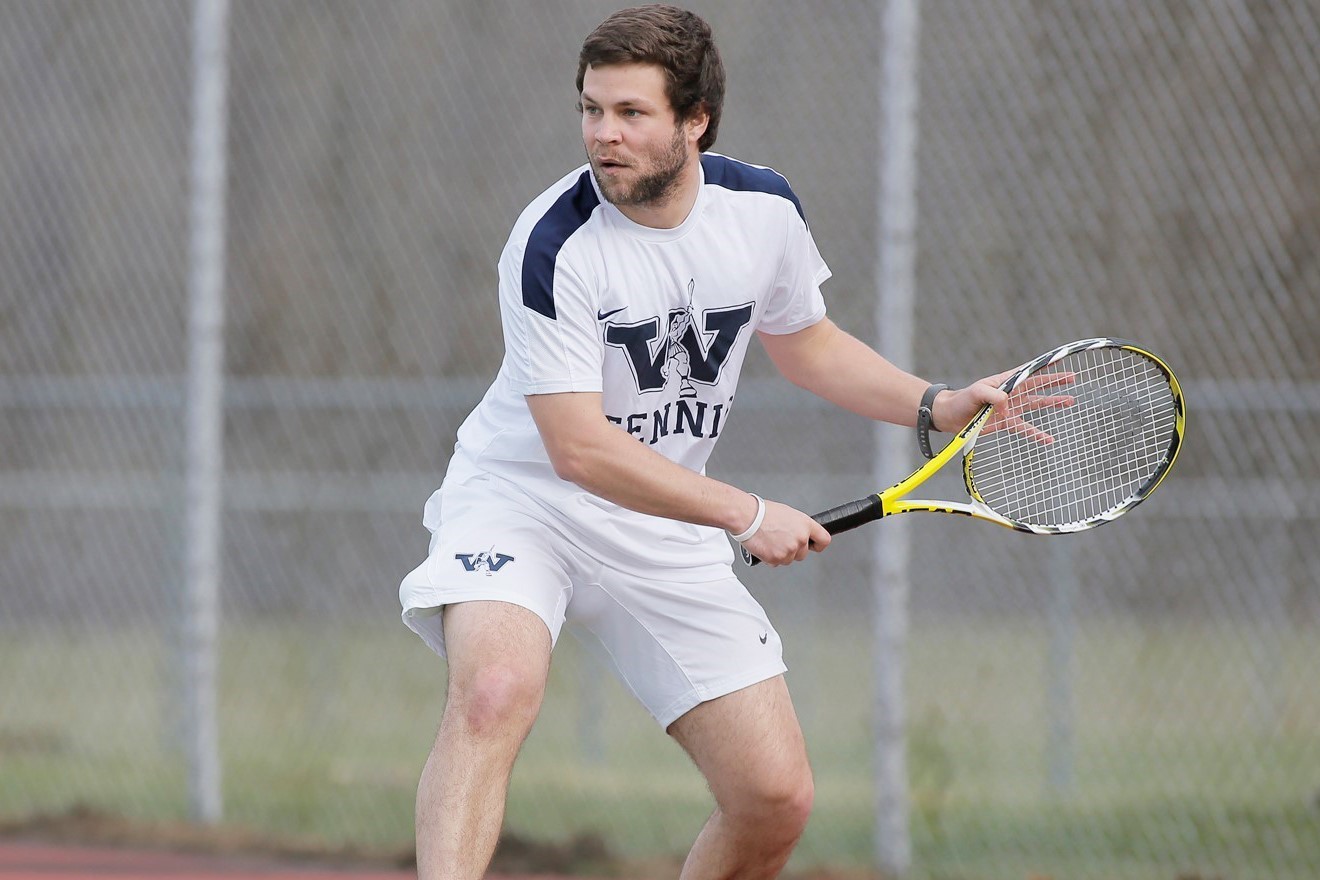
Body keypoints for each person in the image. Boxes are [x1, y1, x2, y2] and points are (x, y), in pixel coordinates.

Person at [398, 5, 1010, 877]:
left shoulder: (761, 211)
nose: (603, 136)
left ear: (695, 121)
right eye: (591, 110)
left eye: (631, 114)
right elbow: (577, 448)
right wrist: (745, 513)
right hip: (521, 501)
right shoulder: (552, 243)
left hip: (660, 522)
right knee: (494, 693)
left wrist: (936, 404)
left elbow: (809, 345)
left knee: (773, 798)